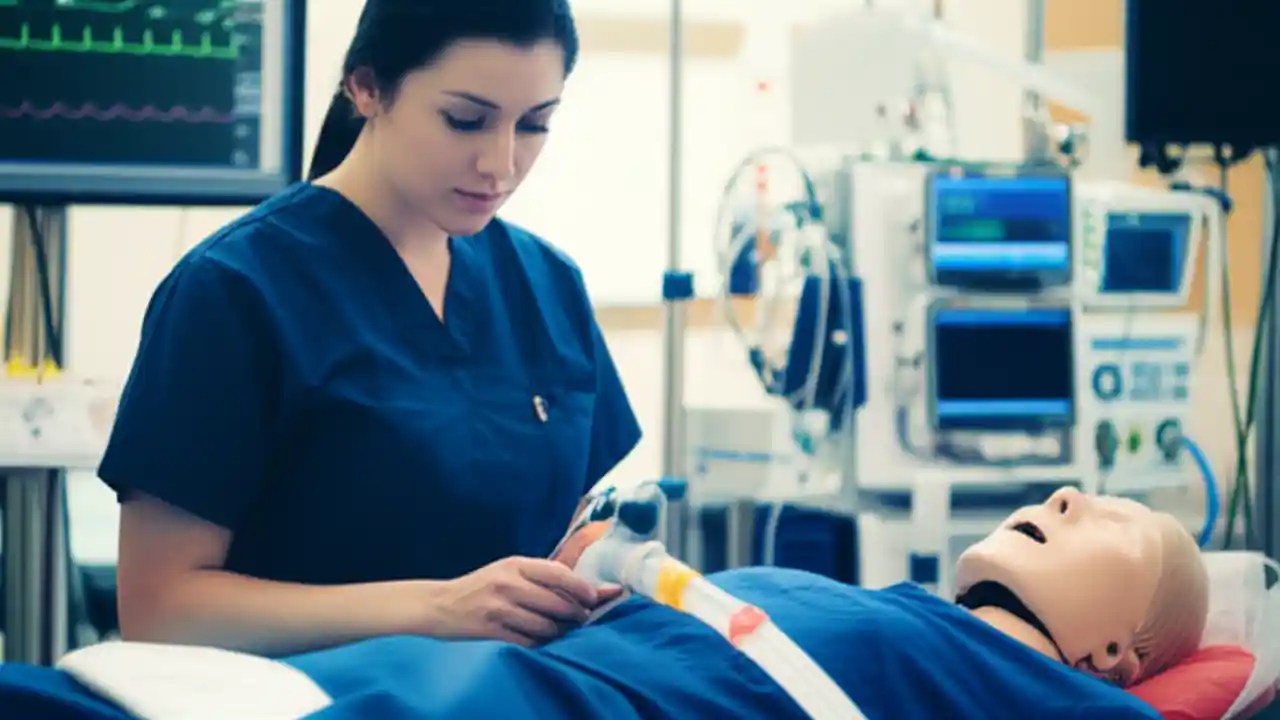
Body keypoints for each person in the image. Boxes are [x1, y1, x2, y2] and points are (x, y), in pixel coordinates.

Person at [99, 0, 640, 657]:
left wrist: (591, 560)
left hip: (513, 688)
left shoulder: (547, 286)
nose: (500, 164)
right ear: (367, 88)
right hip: (315, 692)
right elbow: (160, 610)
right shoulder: (235, 290)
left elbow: (567, 526)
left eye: (534, 125)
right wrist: (434, 609)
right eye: (464, 120)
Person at [0, 487, 1204, 719]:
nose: (1064, 492)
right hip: (397, 676)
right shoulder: (871, 604)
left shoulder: (1047, 696)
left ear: (1111, 651)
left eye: (1113, 520)